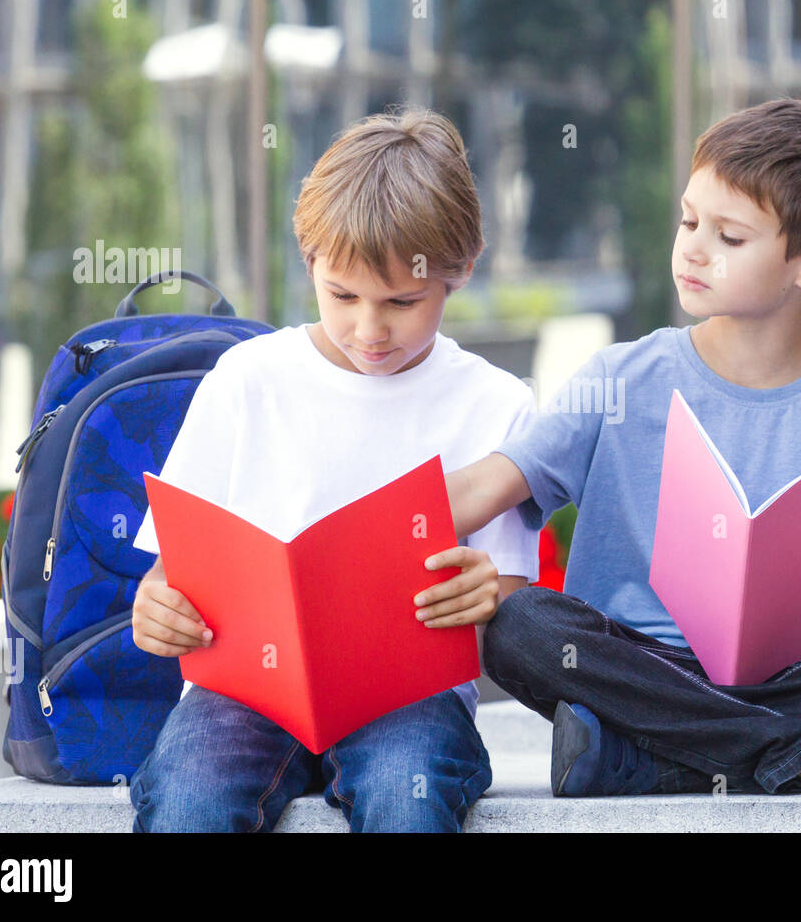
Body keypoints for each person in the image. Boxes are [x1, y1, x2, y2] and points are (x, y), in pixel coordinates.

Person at [433, 97, 801, 797]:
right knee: (519, 625)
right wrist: (363, 531)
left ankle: (657, 758)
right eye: (688, 220)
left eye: (730, 237)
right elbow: (483, 487)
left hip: (798, 672)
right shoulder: (620, 379)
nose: (694, 249)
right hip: (639, 666)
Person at [127, 107, 538, 832]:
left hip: (410, 697)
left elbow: (499, 614)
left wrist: (487, 601)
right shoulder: (246, 379)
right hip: (243, 689)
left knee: (408, 798)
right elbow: (170, 575)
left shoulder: (496, 405)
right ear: (309, 258)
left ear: (461, 269)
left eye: (402, 303)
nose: (369, 330)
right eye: (342, 295)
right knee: (189, 800)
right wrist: (157, 608)